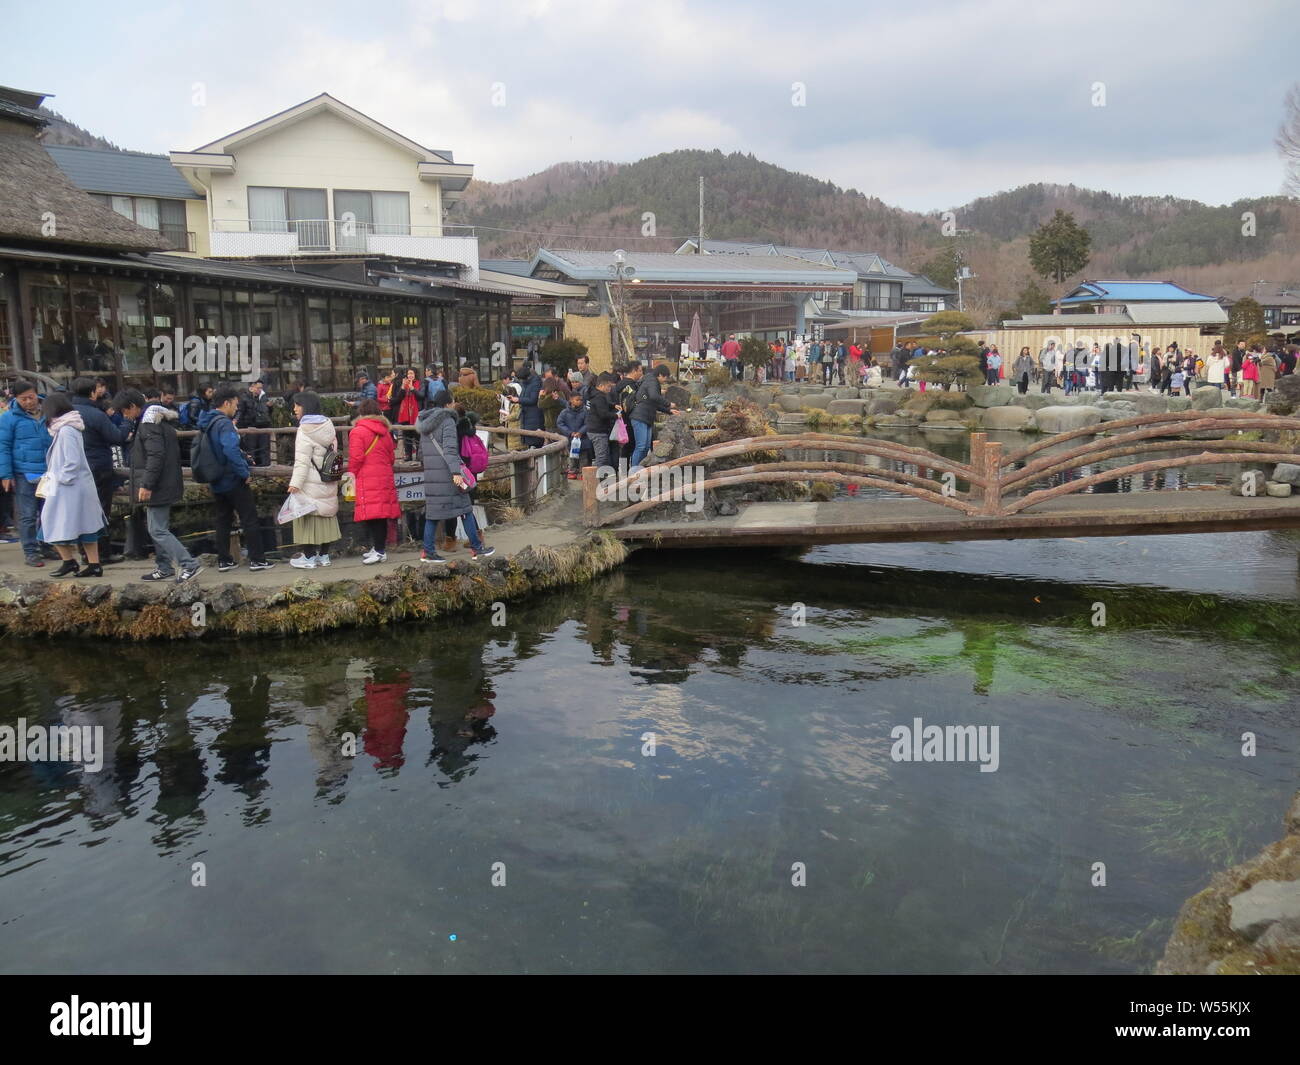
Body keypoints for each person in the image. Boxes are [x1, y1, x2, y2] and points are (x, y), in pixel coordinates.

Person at [116, 388, 201, 582]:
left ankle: (189, 563)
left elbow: (155, 456)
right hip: (166, 481)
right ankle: (164, 566)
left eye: (124, 411)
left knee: (157, 529)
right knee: (158, 527)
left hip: (158, 483)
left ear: (132, 407)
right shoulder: (159, 421)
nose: (124, 415)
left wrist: (146, 484)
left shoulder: (148, 425)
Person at [198, 385, 275, 573]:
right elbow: (230, 449)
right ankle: (257, 559)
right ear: (226, 403)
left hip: (215, 478)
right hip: (232, 478)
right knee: (249, 518)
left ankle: (224, 560)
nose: (236, 408)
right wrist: (244, 472)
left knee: (223, 520)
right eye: (235, 404)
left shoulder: (206, 422)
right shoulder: (224, 423)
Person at [417, 390, 493, 563]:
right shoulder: (448, 421)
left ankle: (428, 552)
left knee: (433, 514)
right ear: (447, 404)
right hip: (449, 475)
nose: (453, 404)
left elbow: (421, 453)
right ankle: (477, 548)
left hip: (432, 476)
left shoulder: (424, 422)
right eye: (452, 401)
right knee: (465, 509)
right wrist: (456, 473)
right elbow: (450, 450)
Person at [38, 391, 106, 579]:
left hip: (68, 487)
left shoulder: (66, 430)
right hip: (75, 487)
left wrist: (60, 480)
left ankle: (70, 561)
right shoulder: (69, 428)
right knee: (86, 527)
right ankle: (92, 564)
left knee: (50, 522)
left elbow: (72, 462)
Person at [70, 376, 129, 563]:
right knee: (100, 512)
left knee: (79, 511)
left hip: (74, 468)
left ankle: (85, 553)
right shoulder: (95, 414)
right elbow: (116, 437)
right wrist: (126, 421)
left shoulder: (66, 414)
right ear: (93, 393)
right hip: (98, 468)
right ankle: (102, 553)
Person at [287, 391, 341, 569]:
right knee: (326, 515)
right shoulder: (328, 426)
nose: (294, 409)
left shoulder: (304, 430)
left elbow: (302, 461)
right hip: (328, 479)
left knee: (307, 518)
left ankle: (309, 557)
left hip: (310, 483)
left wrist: (295, 484)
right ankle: (324, 556)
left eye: (297, 405)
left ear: (306, 407)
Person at [0, 380, 49, 568]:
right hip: (23, 472)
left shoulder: (48, 411)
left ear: (37, 393)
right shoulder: (8, 418)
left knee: (48, 512)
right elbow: (3, 447)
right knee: (27, 515)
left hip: (48, 472)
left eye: (31, 397)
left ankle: (47, 545)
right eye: (23, 399)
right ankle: (30, 551)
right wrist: (5, 475)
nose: (29, 401)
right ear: (15, 398)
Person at [347, 398, 399, 565]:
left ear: (361, 413)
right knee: (381, 514)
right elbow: (391, 457)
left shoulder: (357, 431)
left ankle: (378, 550)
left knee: (372, 515)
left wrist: (350, 475)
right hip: (384, 475)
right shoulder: (385, 431)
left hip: (366, 476)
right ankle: (379, 548)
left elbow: (356, 457)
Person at [630, 365, 677, 469]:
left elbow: (654, 403)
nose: (665, 381)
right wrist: (668, 403)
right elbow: (654, 396)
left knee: (646, 447)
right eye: (665, 378)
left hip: (646, 418)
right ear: (660, 375)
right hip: (640, 417)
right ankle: (633, 471)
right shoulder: (652, 381)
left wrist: (669, 411)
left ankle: (640, 469)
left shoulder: (650, 381)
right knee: (641, 446)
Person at [236, 379, 273, 467]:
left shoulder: (262, 397)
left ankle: (265, 467)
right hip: (250, 426)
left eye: (261, 388)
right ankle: (252, 468)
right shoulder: (244, 398)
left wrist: (270, 407)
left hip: (263, 425)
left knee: (264, 447)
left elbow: (268, 412)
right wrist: (239, 425)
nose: (260, 390)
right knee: (251, 448)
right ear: (251, 387)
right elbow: (240, 412)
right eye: (258, 388)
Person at [556, 390, 589, 479]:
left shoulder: (585, 411)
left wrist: (581, 432)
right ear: (571, 400)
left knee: (583, 457)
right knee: (572, 456)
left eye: (581, 400)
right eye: (577, 400)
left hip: (583, 438)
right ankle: (573, 471)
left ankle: (583, 472)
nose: (580, 402)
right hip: (571, 438)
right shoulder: (564, 412)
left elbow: (588, 423)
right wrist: (570, 433)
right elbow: (560, 423)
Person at [512, 363, 544, 449]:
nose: (520, 381)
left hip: (534, 417)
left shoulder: (535, 383)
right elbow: (523, 397)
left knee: (536, 444)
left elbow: (533, 400)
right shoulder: (525, 384)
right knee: (530, 444)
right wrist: (514, 399)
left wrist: (518, 400)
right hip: (526, 417)